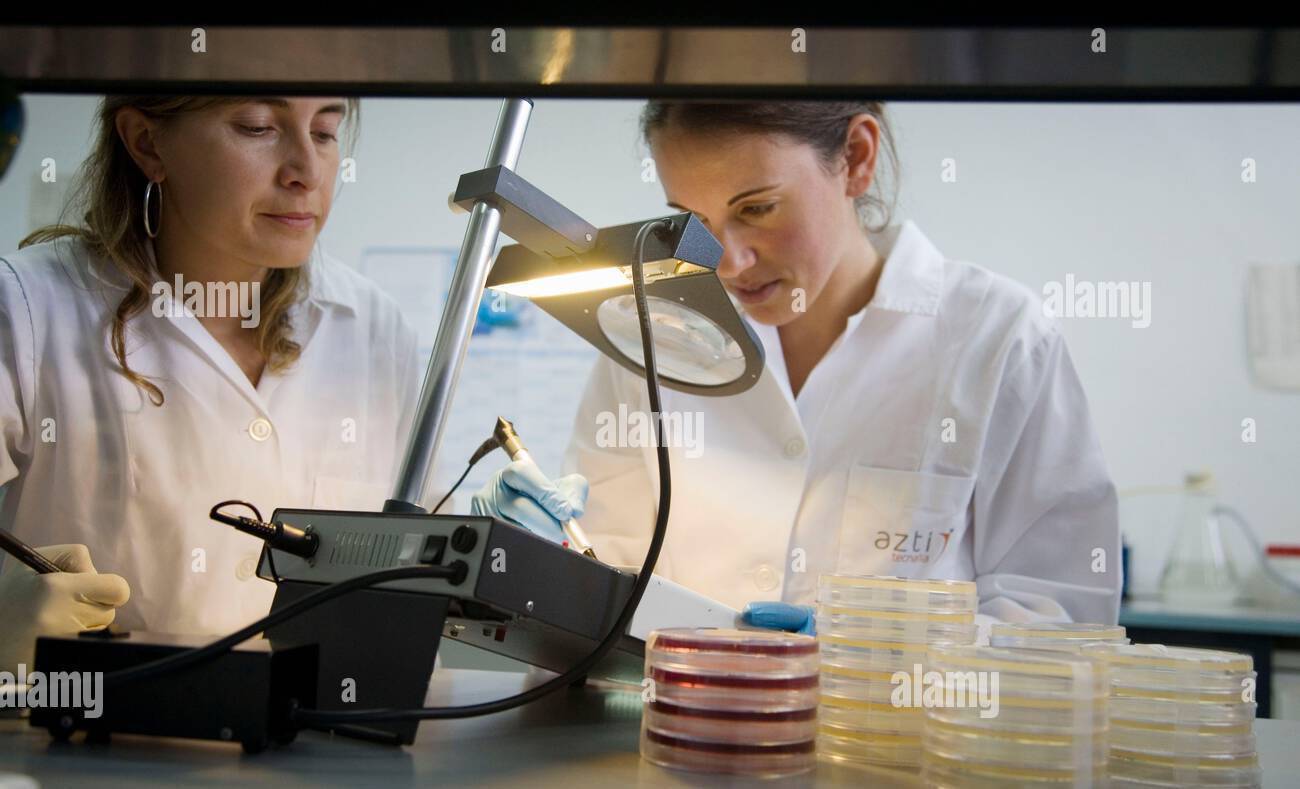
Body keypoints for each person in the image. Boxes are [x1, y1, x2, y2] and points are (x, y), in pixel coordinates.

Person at [473, 100, 1121, 634]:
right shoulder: (652, 334)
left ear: (857, 158)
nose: (729, 262)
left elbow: (1064, 621)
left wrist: (865, 648)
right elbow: (608, 579)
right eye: (693, 221)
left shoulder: (997, 336)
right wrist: (540, 557)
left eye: (757, 208)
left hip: (894, 745)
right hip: (681, 734)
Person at [0, 95, 421, 667]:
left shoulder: (375, 329)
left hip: (313, 723)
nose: (307, 171)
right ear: (147, 143)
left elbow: (419, 568)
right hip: (87, 722)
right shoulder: (25, 309)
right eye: (258, 127)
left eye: (324, 132)